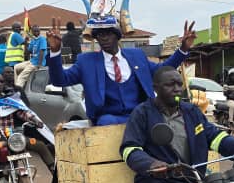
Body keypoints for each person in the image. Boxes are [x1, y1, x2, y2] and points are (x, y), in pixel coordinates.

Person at [46, 15, 195, 126]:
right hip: (109, 118)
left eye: (108, 33)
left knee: (167, 122)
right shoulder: (86, 62)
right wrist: (55, 51)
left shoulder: (137, 56)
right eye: (99, 35)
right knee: (107, 122)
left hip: (141, 114)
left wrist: (183, 49)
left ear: (117, 36)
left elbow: (162, 71)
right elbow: (60, 80)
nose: (103, 38)